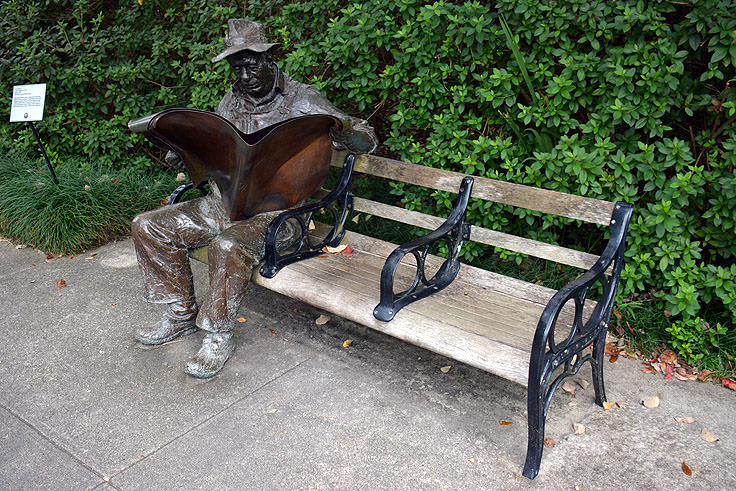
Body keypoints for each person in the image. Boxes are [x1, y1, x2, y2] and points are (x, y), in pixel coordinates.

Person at [131, 19, 378, 378]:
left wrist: (344, 127)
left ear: (269, 59)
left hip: (279, 215)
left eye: (251, 65)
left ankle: (217, 335)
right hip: (224, 205)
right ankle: (180, 315)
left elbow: (367, 141)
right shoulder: (230, 101)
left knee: (229, 245)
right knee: (149, 225)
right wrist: (184, 150)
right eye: (236, 68)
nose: (245, 76)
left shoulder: (302, 99)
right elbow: (219, 152)